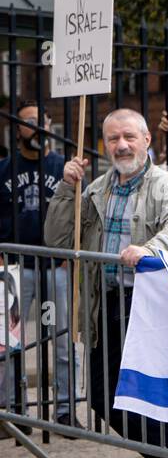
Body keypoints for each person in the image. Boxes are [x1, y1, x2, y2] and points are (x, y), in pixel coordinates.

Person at [43, 109, 168, 458]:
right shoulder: (95, 188)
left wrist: (149, 250)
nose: (121, 145)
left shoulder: (166, 185)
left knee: (142, 397)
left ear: (147, 139)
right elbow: (57, 237)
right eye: (113, 139)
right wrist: (65, 188)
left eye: (129, 136)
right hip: (105, 303)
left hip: (148, 305)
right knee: (101, 395)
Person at [0, 100, 76, 426]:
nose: (36, 127)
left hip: (54, 268)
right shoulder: (4, 169)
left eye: (41, 120)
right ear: (18, 128)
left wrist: (69, 254)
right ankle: (15, 411)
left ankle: (65, 410)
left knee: (61, 341)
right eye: (29, 121)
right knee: (11, 345)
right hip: (16, 269)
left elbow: (77, 214)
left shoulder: (62, 167)